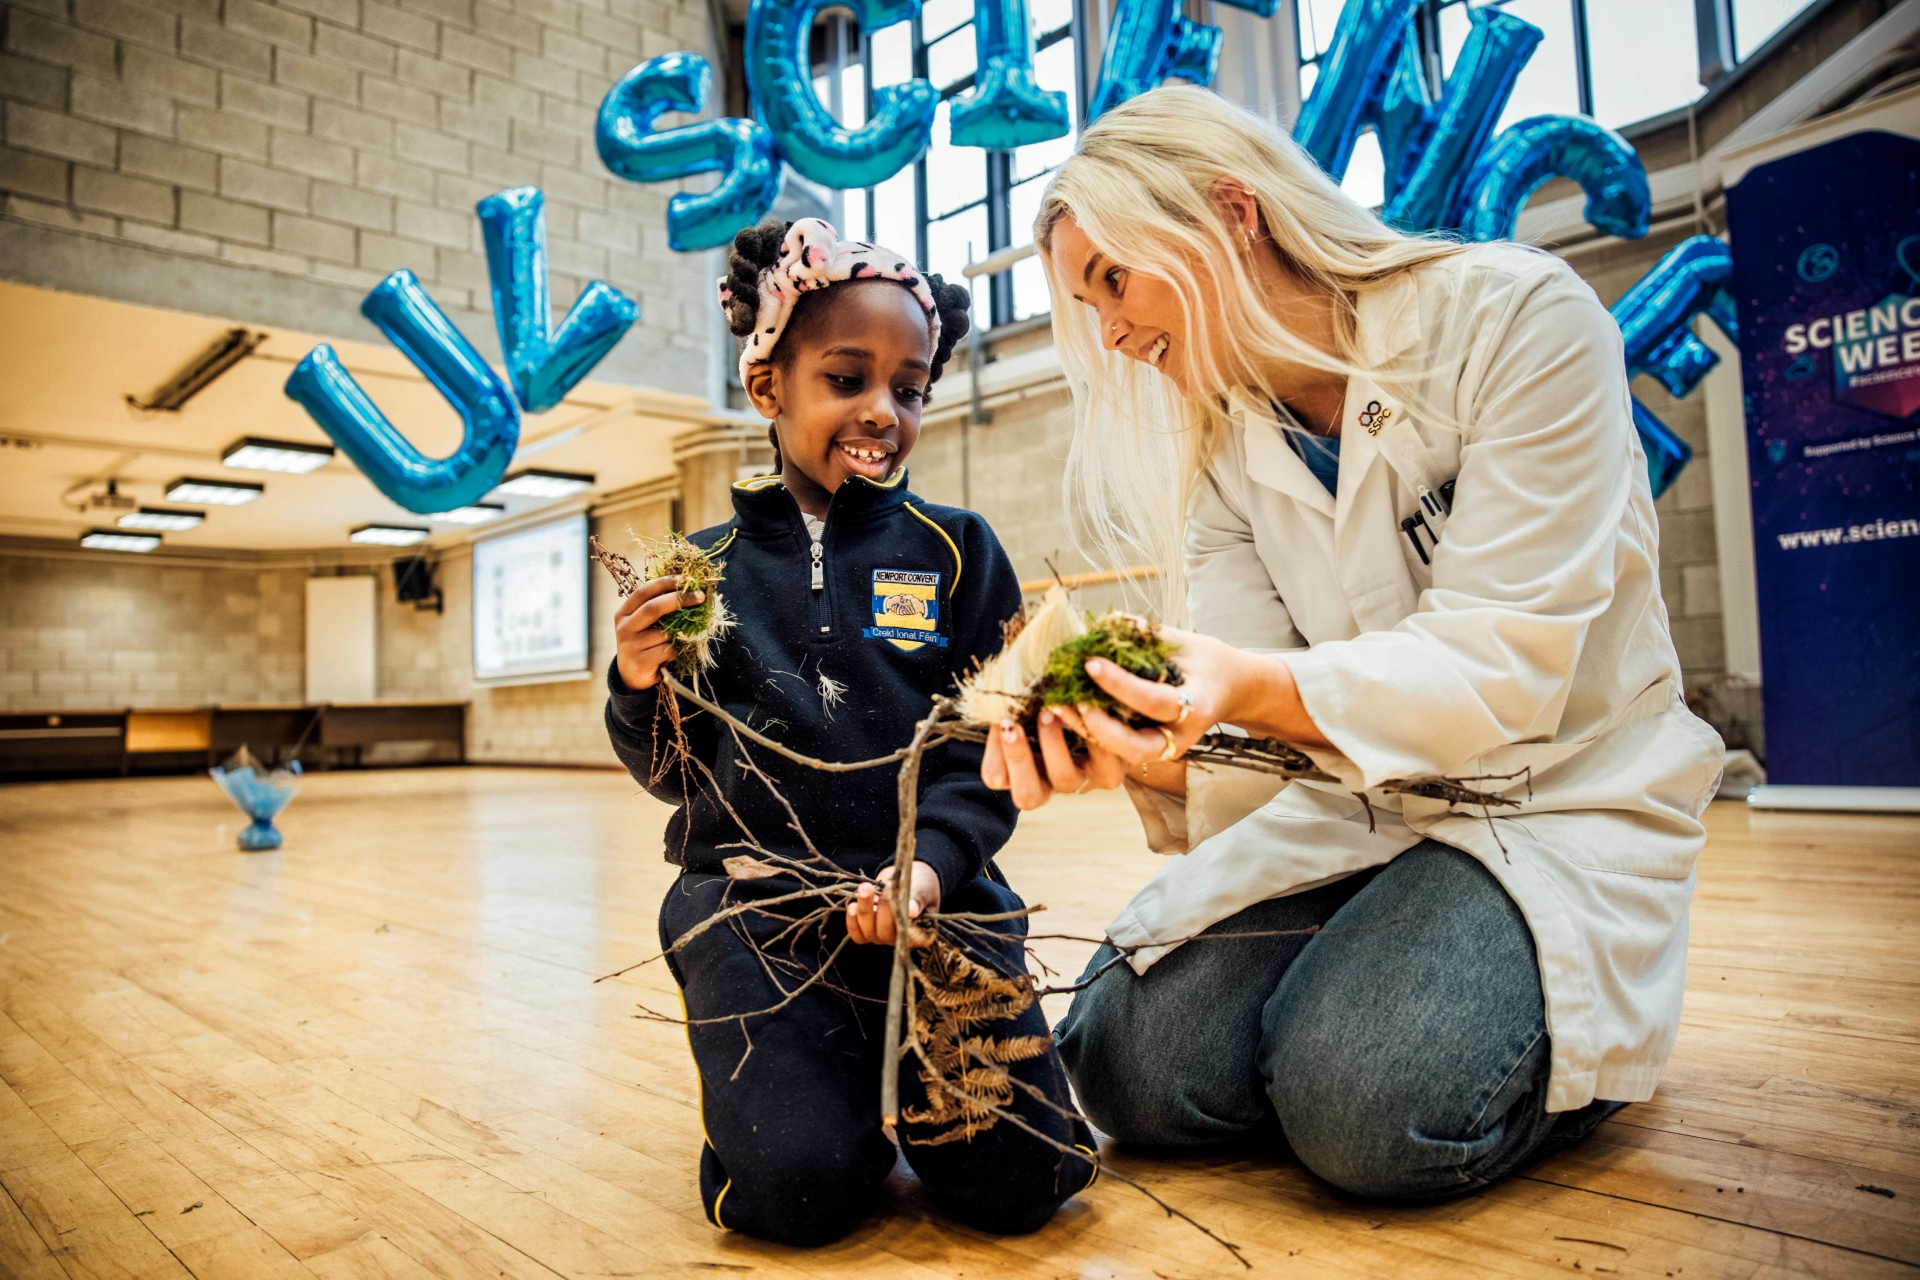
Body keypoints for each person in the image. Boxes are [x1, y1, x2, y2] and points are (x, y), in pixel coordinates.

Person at [981, 86, 1726, 1201]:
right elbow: (1250, 720)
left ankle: (1563, 1051)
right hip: (1364, 802)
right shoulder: (1230, 448)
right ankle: (1371, 996)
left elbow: (1503, 660)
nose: (1113, 333)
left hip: (1558, 794)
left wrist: (1240, 685)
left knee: (1365, 1101)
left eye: (1113, 283)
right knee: (1122, 1063)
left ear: (1234, 212)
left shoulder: (1517, 321)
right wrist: (1139, 745)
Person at [605, 217, 1095, 1246]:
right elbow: (667, 771)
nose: (883, 410)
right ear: (768, 384)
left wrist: (930, 867)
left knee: (1026, 1185)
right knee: (794, 1193)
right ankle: (793, 1100)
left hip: (932, 902)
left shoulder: (960, 553)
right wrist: (638, 678)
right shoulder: (703, 566)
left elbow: (984, 753)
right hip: (756, 909)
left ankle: (901, 1077)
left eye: (909, 387)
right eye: (846, 377)